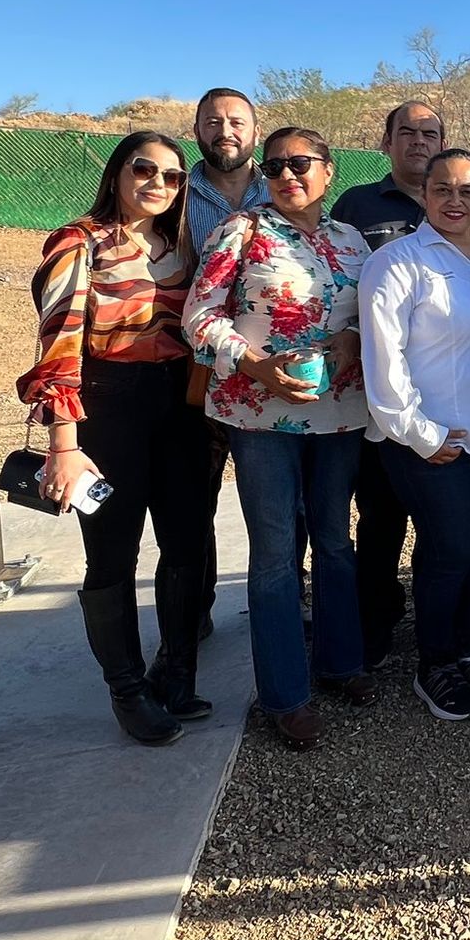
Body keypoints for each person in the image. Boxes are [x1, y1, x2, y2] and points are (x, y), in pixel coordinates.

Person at [17, 131, 212, 746]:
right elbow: (59, 344)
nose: (157, 183)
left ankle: (177, 671)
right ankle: (127, 690)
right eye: (144, 169)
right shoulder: (78, 242)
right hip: (107, 408)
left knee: (186, 542)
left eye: (173, 176)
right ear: (117, 173)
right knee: (112, 552)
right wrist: (64, 445)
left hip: (179, 406)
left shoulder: (180, 242)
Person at [184, 127, 375, 751]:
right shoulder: (239, 232)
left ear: (329, 169)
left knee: (334, 540)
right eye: (275, 166)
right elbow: (200, 318)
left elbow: (364, 316)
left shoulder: (351, 240)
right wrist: (255, 363)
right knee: (272, 555)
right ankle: (285, 695)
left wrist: (350, 341)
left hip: (339, 412)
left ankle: (341, 662)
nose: (287, 175)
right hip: (260, 416)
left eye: (300, 164)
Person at [360, 149, 470, 722]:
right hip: (432, 438)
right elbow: (384, 360)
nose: (456, 201)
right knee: (449, 550)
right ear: (424, 195)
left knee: (469, 550)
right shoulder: (398, 262)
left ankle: (469, 649)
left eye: (469, 191)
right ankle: (434, 663)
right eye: (444, 190)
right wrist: (420, 433)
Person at [330, 100, 447, 672]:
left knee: (438, 518)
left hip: (443, 394)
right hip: (376, 394)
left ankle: (437, 623)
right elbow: (334, 282)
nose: (419, 142)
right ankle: (376, 618)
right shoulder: (356, 205)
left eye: (430, 133)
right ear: (387, 142)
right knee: (379, 515)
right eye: (408, 133)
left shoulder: (458, 204)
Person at [185, 86, 271, 637]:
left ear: (254, 130)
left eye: (237, 121)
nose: (226, 131)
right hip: (198, 368)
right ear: (198, 131)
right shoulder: (176, 193)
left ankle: (292, 594)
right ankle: (193, 605)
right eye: (213, 122)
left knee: (284, 501)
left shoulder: (286, 186)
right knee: (195, 496)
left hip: (269, 374)